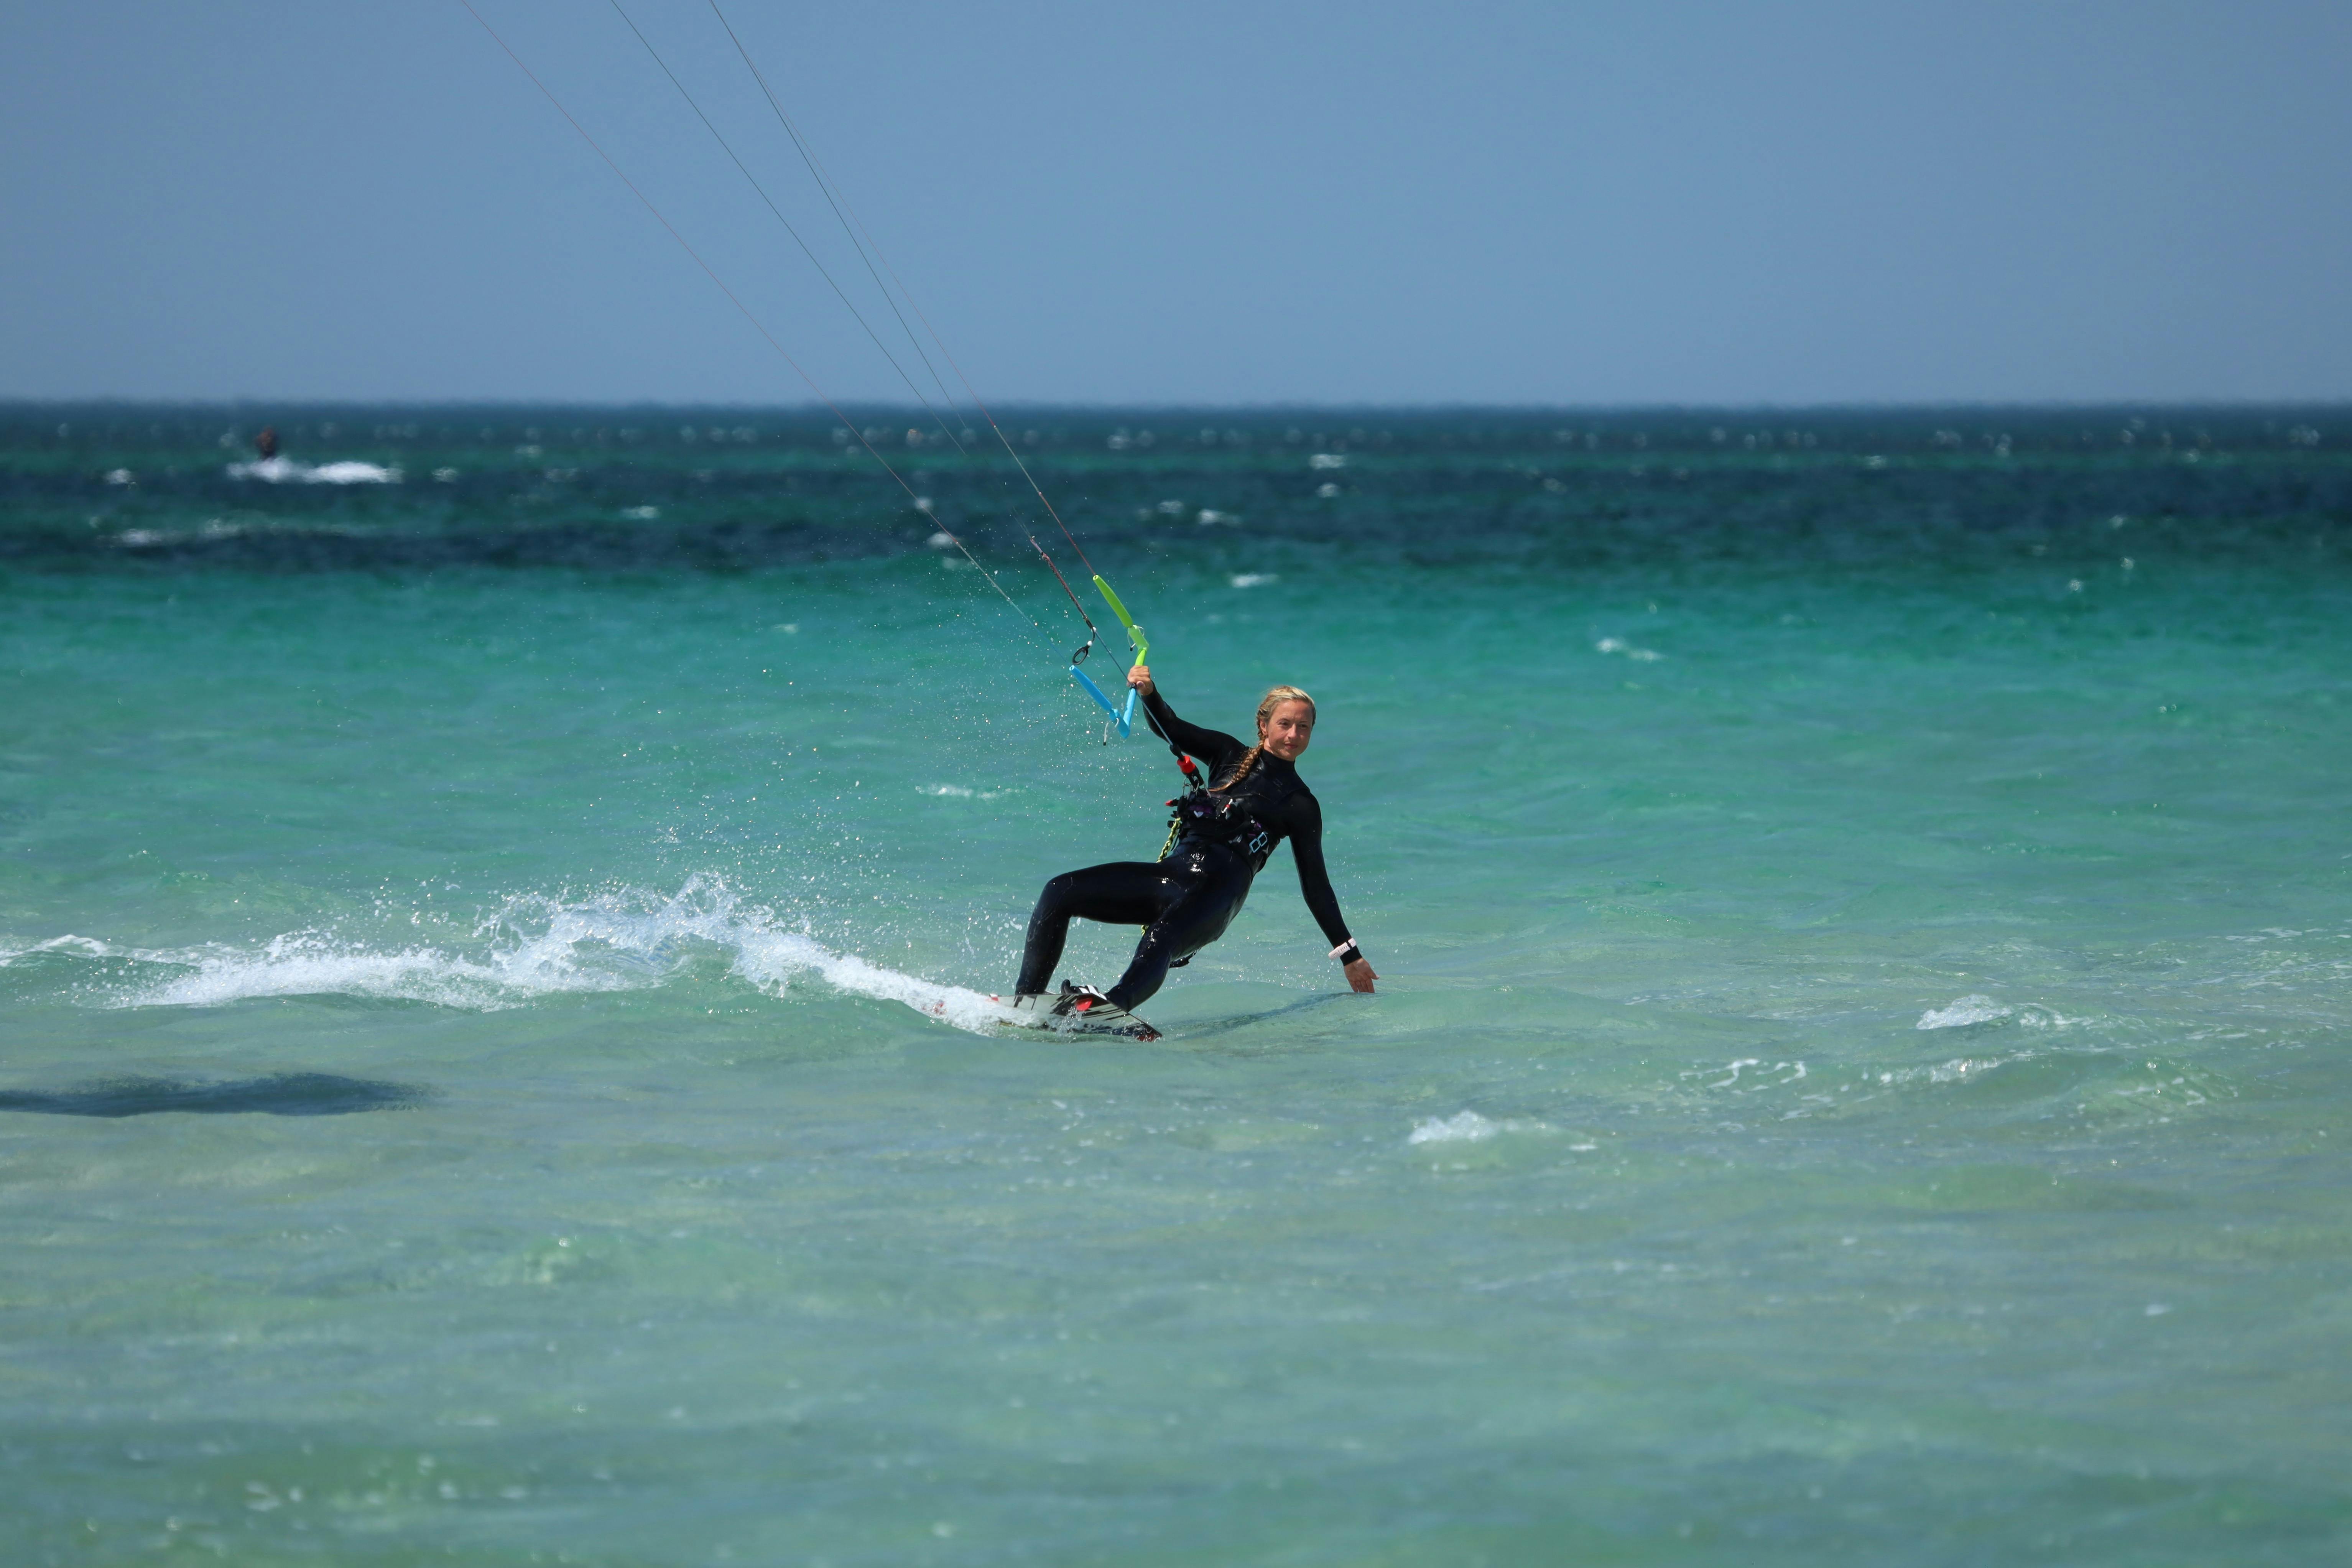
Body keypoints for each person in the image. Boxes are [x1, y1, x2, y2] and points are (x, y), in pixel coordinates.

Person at [1013, 669, 1376, 1023]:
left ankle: (1113, 1007)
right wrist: (1148, 692)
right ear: (1264, 725)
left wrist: (1350, 953)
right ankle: (1025, 1001)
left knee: (1162, 936)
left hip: (1218, 897)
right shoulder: (1228, 754)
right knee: (1059, 891)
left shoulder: (1301, 804)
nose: (1294, 734)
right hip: (1172, 876)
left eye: (1304, 727)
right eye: (1285, 723)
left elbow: (1316, 886)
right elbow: (1169, 727)